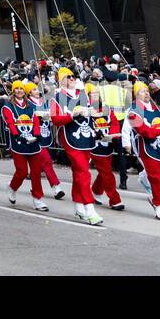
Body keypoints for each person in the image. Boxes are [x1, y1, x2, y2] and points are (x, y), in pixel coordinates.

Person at [50, 68, 104, 225]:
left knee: (78, 172)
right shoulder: (56, 97)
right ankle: (90, 209)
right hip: (71, 137)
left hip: (86, 137)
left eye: (74, 76)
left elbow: (97, 111)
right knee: (83, 172)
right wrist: (73, 115)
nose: (73, 78)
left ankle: (79, 207)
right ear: (61, 80)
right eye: (69, 77)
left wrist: (94, 109)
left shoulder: (82, 93)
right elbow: (55, 119)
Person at [126, 82, 160, 221]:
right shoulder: (133, 111)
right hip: (147, 148)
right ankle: (159, 206)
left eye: (147, 91)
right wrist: (159, 132)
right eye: (142, 91)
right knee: (156, 178)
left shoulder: (157, 108)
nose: (146, 93)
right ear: (136, 95)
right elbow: (142, 129)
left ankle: (156, 198)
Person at [0, 80, 49, 212]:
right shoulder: (8, 106)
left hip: (33, 142)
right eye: (17, 88)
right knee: (22, 172)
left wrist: (37, 134)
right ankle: (12, 188)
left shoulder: (30, 106)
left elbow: (35, 121)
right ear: (13, 91)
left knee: (36, 172)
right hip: (18, 143)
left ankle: (37, 199)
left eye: (21, 88)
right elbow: (10, 122)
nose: (19, 91)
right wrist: (16, 135)